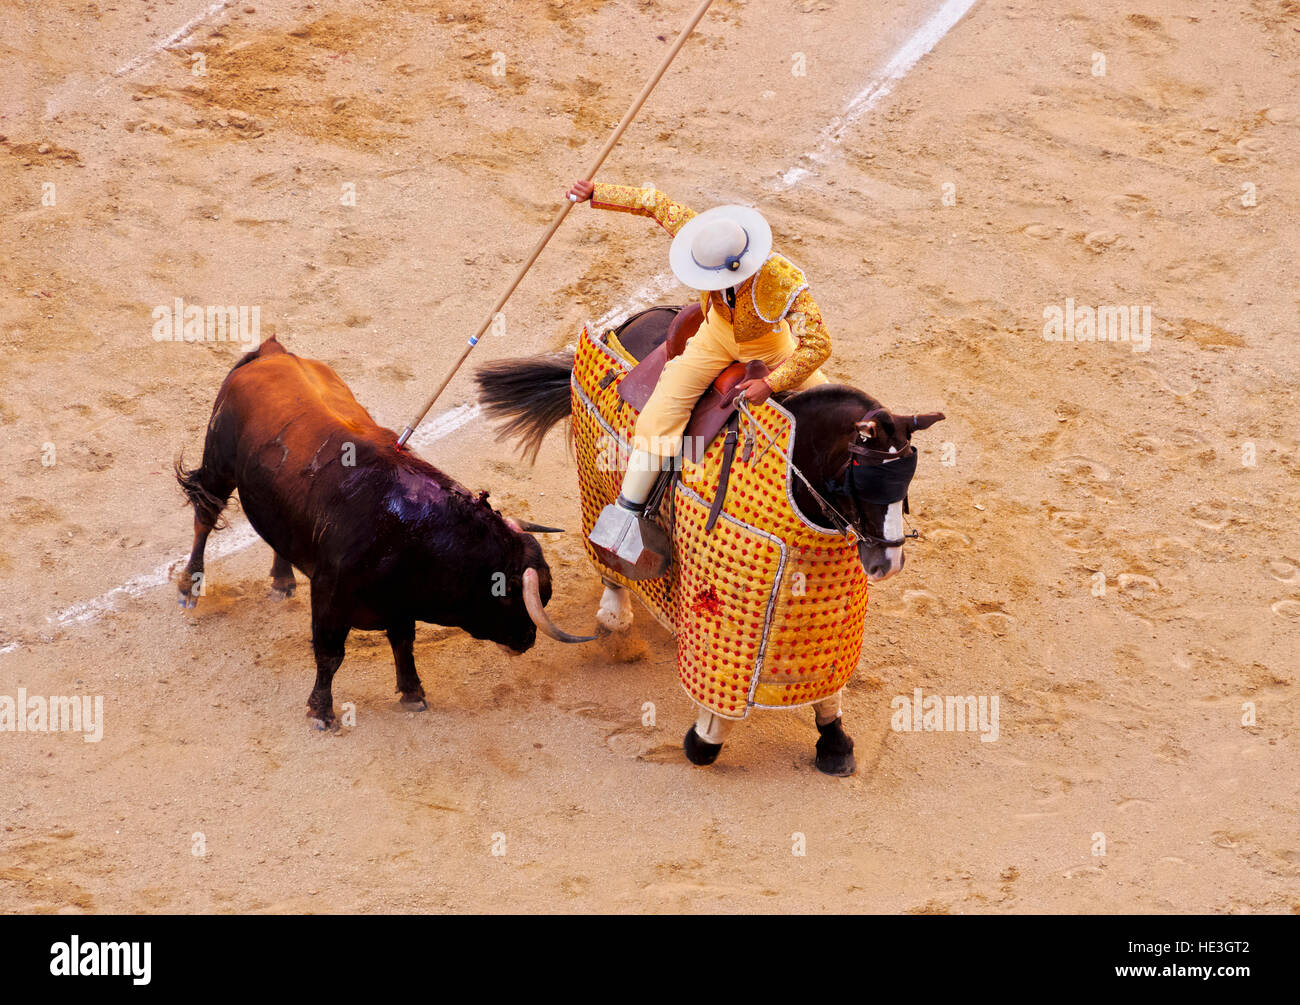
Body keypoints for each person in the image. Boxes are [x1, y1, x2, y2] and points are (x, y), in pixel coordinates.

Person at [568, 179, 831, 570]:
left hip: (772, 348)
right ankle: (629, 509)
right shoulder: (704, 239)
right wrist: (597, 193)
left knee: (829, 408)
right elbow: (654, 203)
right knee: (662, 409)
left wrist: (772, 382)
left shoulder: (784, 280)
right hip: (713, 338)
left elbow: (818, 344)